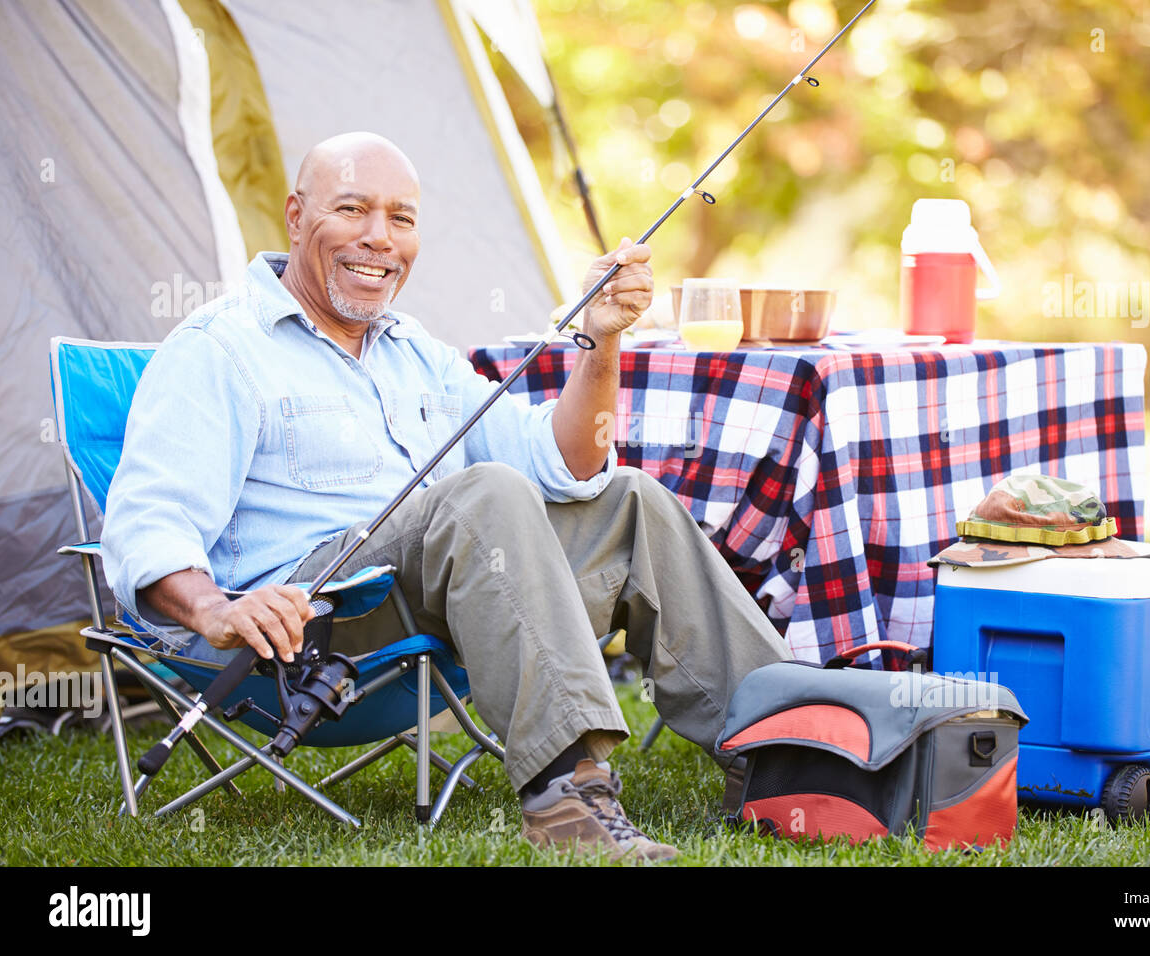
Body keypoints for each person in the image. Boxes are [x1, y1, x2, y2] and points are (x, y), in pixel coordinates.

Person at [101, 132, 790, 862]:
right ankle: (569, 796)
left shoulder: (413, 349)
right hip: (315, 629)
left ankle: (792, 748)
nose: (379, 238)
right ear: (296, 216)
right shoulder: (219, 347)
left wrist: (601, 340)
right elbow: (148, 520)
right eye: (352, 209)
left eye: (401, 218)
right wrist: (217, 608)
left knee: (628, 500)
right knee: (483, 494)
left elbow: (563, 466)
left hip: (461, 597)